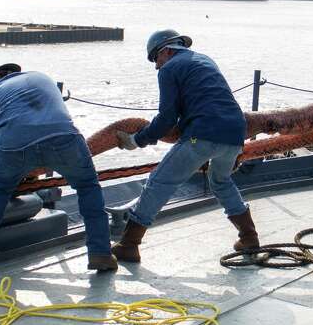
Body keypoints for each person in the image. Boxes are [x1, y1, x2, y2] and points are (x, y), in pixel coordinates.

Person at [111, 29, 258, 262]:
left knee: (159, 183)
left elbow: (167, 118)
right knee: (220, 181)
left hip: (203, 133)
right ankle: (249, 237)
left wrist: (136, 140)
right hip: (235, 133)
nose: (156, 66)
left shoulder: (169, 68)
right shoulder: (205, 60)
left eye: (155, 59)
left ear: (166, 51)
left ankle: (129, 244)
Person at [0, 63, 116, 271]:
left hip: (14, 145)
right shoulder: (42, 77)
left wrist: (16, 174)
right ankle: (100, 253)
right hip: (63, 138)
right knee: (87, 186)